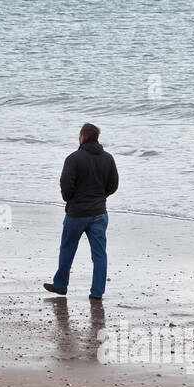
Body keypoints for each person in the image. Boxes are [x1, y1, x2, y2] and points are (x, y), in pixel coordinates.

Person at [44, 122, 119, 300]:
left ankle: (61, 285)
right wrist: (101, 197)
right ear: (97, 137)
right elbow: (113, 185)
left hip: (77, 213)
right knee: (99, 254)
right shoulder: (108, 158)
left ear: (82, 137)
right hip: (99, 213)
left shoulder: (73, 158)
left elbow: (66, 186)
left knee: (67, 249)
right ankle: (97, 292)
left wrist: (71, 199)